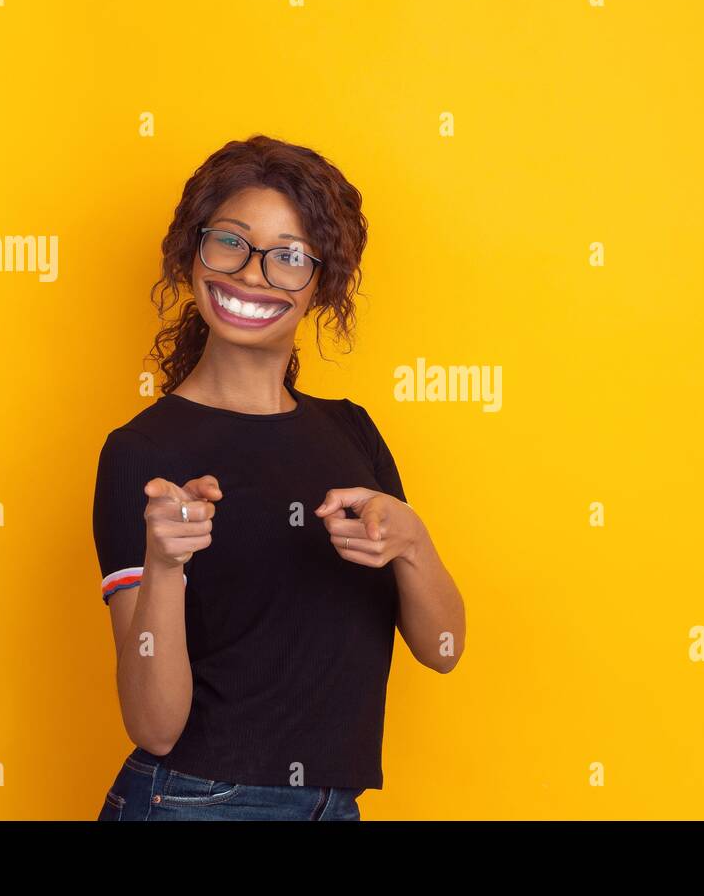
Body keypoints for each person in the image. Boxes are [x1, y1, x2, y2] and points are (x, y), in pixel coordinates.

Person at [92, 135, 465, 820]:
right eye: (230, 241)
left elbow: (442, 651)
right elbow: (154, 727)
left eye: (289, 256)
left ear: (323, 283)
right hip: (194, 802)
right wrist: (165, 564)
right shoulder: (142, 453)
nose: (252, 273)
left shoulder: (352, 432)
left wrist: (413, 543)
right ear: (191, 251)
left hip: (333, 807)